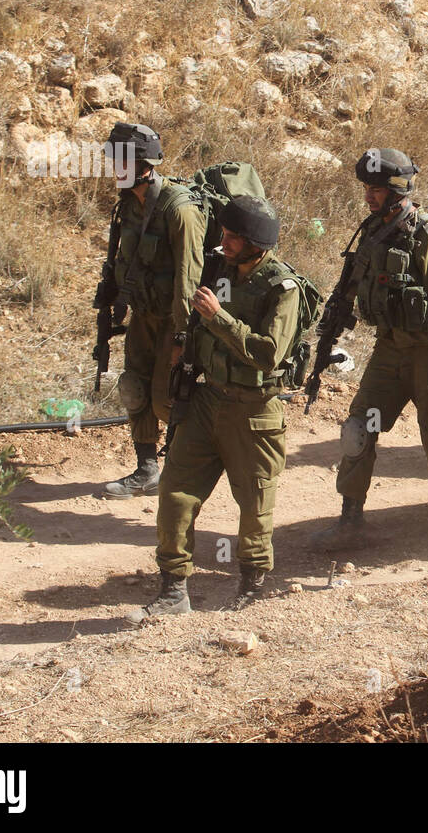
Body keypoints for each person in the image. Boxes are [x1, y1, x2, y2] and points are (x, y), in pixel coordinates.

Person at [128, 196, 305, 621]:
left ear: (257, 246)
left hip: (254, 411)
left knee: (254, 505)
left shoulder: (283, 289)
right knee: (174, 493)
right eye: (224, 234)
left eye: (233, 237)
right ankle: (173, 589)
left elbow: (269, 354)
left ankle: (252, 584)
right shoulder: (219, 269)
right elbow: (195, 322)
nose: (224, 242)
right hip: (206, 401)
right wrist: (181, 345)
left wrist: (219, 317)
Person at [311, 149, 428, 550]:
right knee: (358, 430)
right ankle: (350, 520)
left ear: (399, 189)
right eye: (367, 188)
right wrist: (331, 326)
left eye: (377, 189)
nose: (369, 196)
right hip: (389, 350)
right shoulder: (372, 229)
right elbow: (351, 284)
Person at [101, 122, 206, 499]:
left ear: (140, 163)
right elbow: (121, 260)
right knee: (134, 387)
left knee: (169, 397)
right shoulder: (128, 204)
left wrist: (182, 337)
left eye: (119, 160)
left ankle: (189, 467)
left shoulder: (179, 209)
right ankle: (147, 469)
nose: (113, 167)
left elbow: (187, 278)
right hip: (144, 314)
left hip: (173, 320)